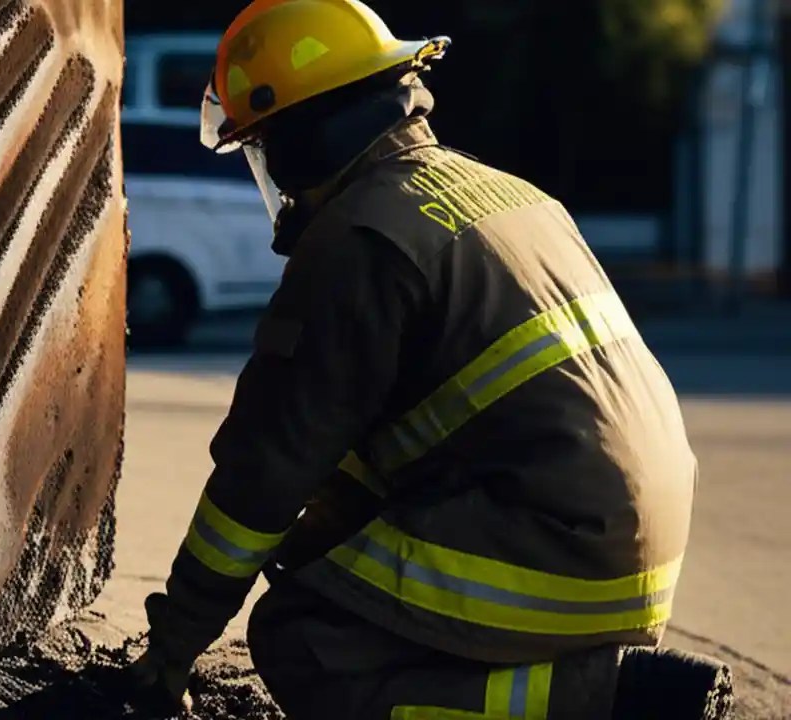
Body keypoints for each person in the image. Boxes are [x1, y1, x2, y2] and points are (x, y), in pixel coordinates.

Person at [126, 1, 735, 718]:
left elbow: (261, 476)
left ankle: (605, 697)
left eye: (263, 150)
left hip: (557, 557)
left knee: (306, 634)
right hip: (637, 546)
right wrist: (324, 524)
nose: (275, 184)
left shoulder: (355, 241)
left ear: (304, 141)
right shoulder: (509, 194)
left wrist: (171, 650)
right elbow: (403, 426)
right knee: (333, 565)